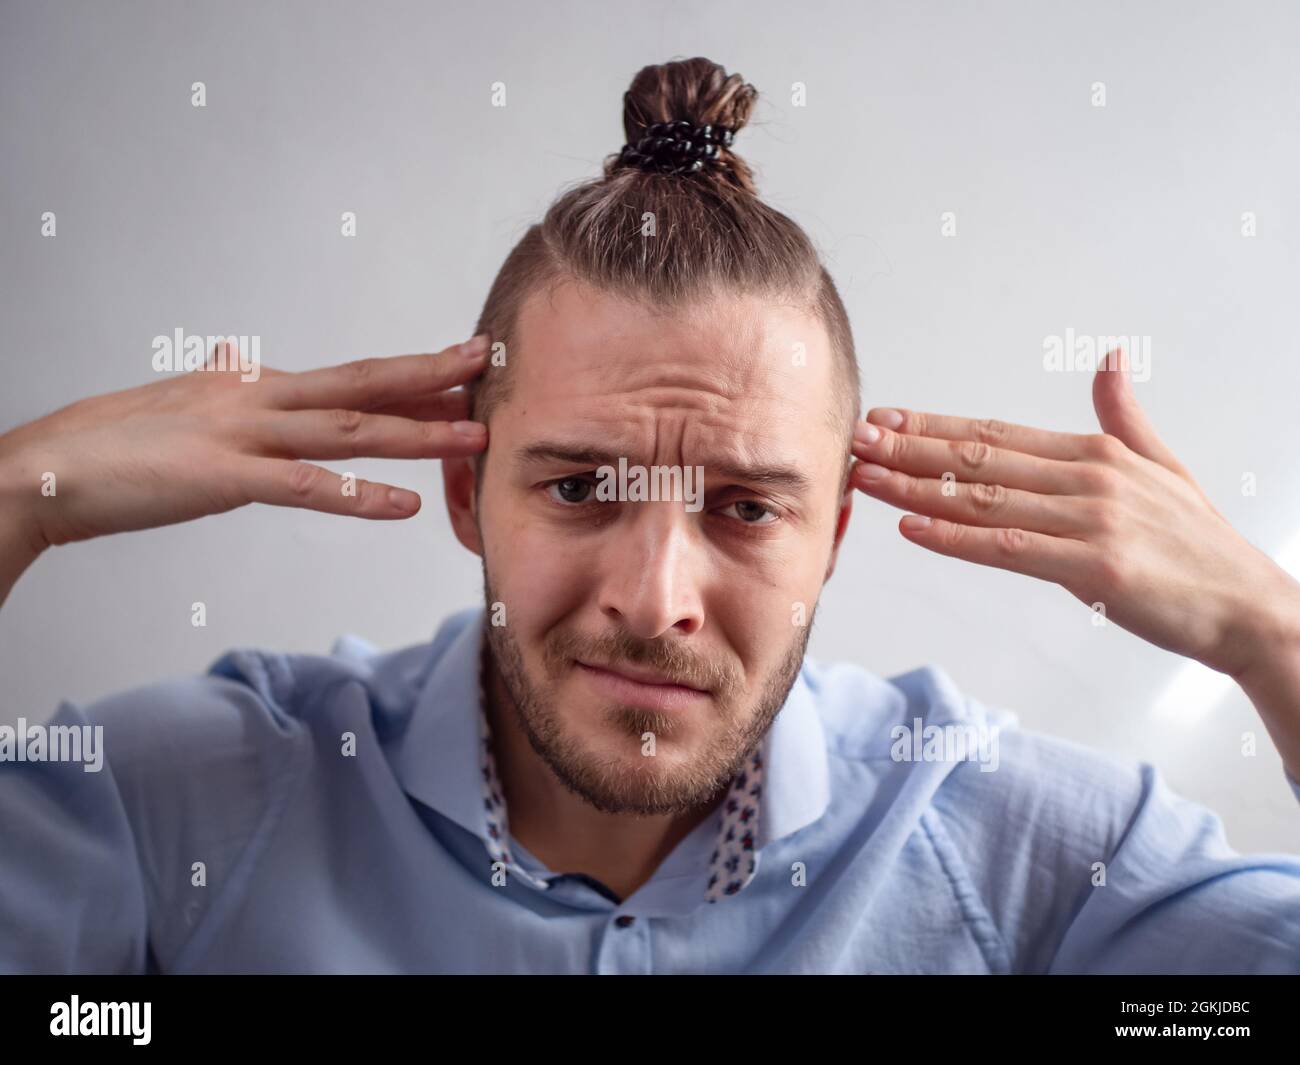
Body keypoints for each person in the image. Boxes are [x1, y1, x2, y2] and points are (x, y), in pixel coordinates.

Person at [2, 57, 1299, 975]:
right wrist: (12, 500)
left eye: (745, 507)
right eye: (577, 487)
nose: (654, 594)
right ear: (470, 488)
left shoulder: (1013, 847)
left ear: (833, 537)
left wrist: (1274, 636)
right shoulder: (183, 807)